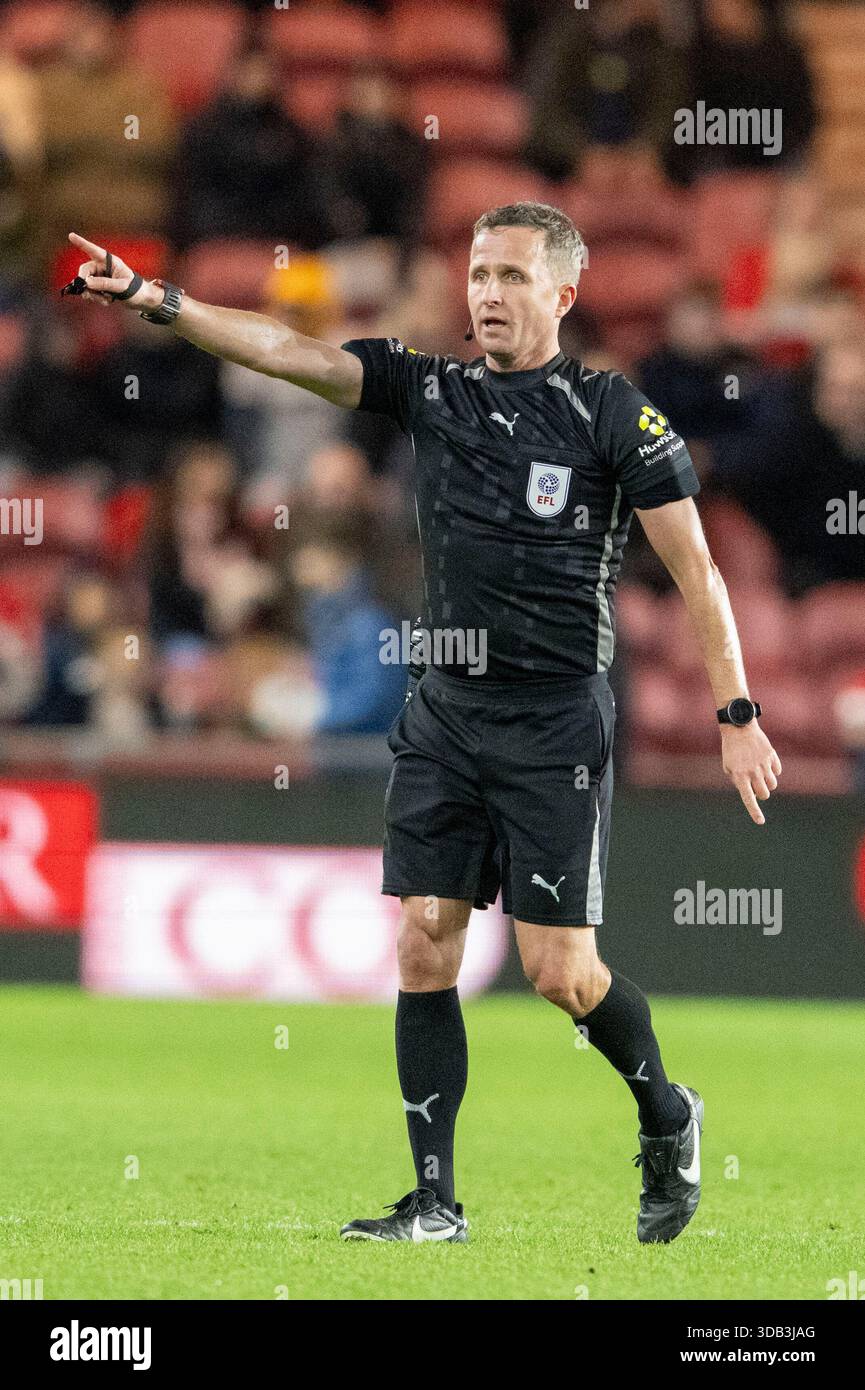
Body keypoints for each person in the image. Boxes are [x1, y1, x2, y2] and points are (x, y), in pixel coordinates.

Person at [65, 204, 781, 1245]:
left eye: (512, 278)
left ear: (564, 296)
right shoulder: (429, 388)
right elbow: (288, 352)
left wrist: (735, 711)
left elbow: (699, 574)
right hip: (445, 711)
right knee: (423, 941)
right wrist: (158, 302)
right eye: (480, 273)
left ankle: (668, 1114)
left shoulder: (609, 415)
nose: (487, 294)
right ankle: (434, 1202)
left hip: (551, 725)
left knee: (559, 974)